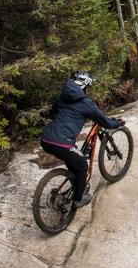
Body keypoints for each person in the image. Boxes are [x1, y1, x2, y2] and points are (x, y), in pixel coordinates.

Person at [40, 71, 123, 208]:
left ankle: (75, 181)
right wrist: (117, 123)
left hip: (46, 139)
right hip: (62, 143)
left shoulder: (62, 98)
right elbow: (106, 123)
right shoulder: (86, 103)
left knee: (74, 162)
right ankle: (78, 199)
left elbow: (54, 113)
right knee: (83, 164)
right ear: (86, 86)